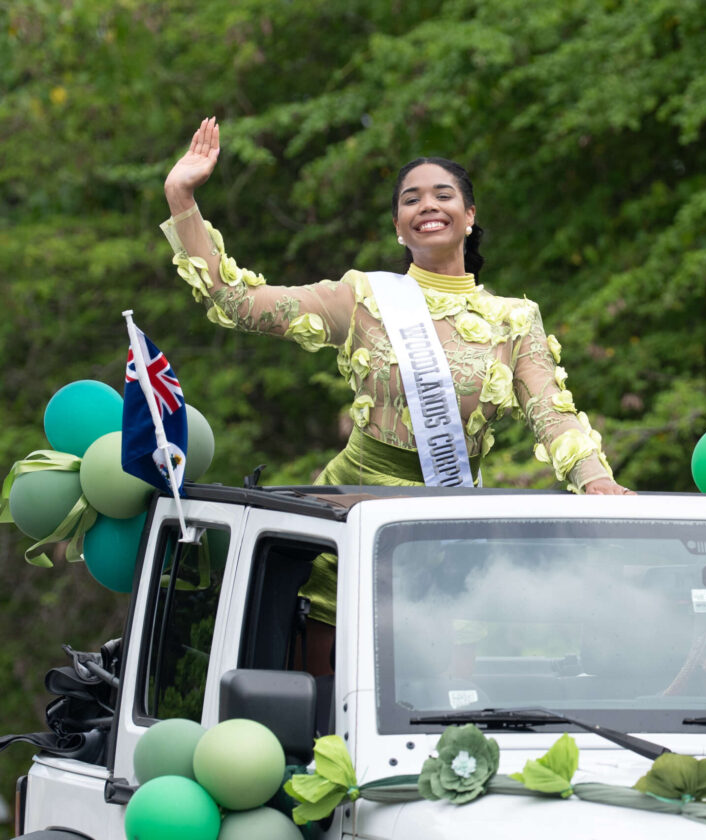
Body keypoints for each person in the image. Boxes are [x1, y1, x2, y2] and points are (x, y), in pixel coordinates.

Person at [161, 118, 633, 667]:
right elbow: (238, 301)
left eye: (443, 194)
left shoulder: (514, 319)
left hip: (449, 523)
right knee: (325, 690)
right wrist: (182, 197)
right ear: (399, 227)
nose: (427, 205)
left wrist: (597, 482)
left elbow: (554, 415)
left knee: (445, 685)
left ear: (470, 216)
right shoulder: (362, 297)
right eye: (411, 199)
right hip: (349, 519)